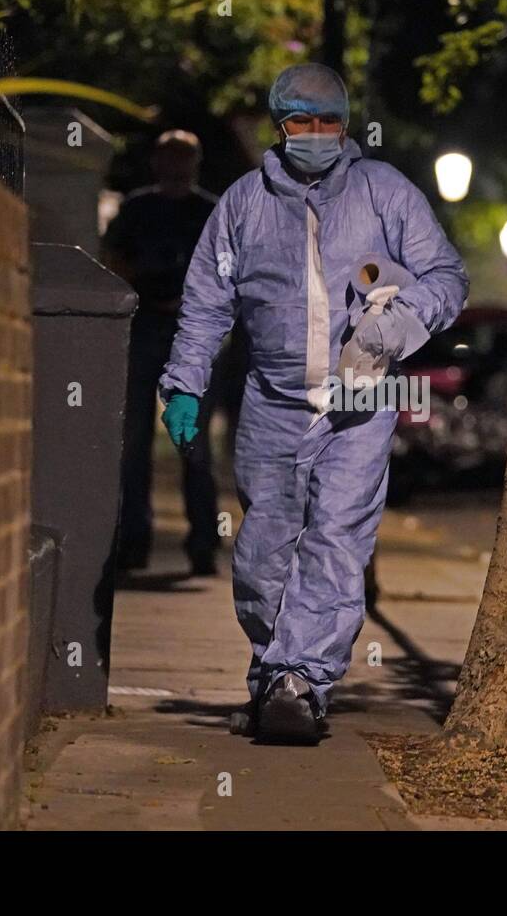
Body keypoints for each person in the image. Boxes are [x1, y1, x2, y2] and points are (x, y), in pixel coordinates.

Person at [159, 63, 469, 743]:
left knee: (336, 540)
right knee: (263, 550)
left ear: (347, 126)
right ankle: (276, 671)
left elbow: (447, 275)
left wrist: (396, 321)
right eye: (303, 122)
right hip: (271, 401)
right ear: (280, 125)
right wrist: (184, 382)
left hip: (361, 404)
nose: (317, 135)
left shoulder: (385, 193)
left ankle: (300, 680)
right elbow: (208, 303)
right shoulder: (241, 205)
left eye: (329, 122)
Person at [104, 130, 222, 576]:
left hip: (192, 335)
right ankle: (135, 542)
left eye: (183, 160)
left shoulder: (210, 212)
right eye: (169, 160)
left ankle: (203, 545)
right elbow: (112, 260)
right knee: (134, 443)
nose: (175, 169)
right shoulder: (137, 209)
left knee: (192, 445)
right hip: (145, 326)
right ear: (156, 163)